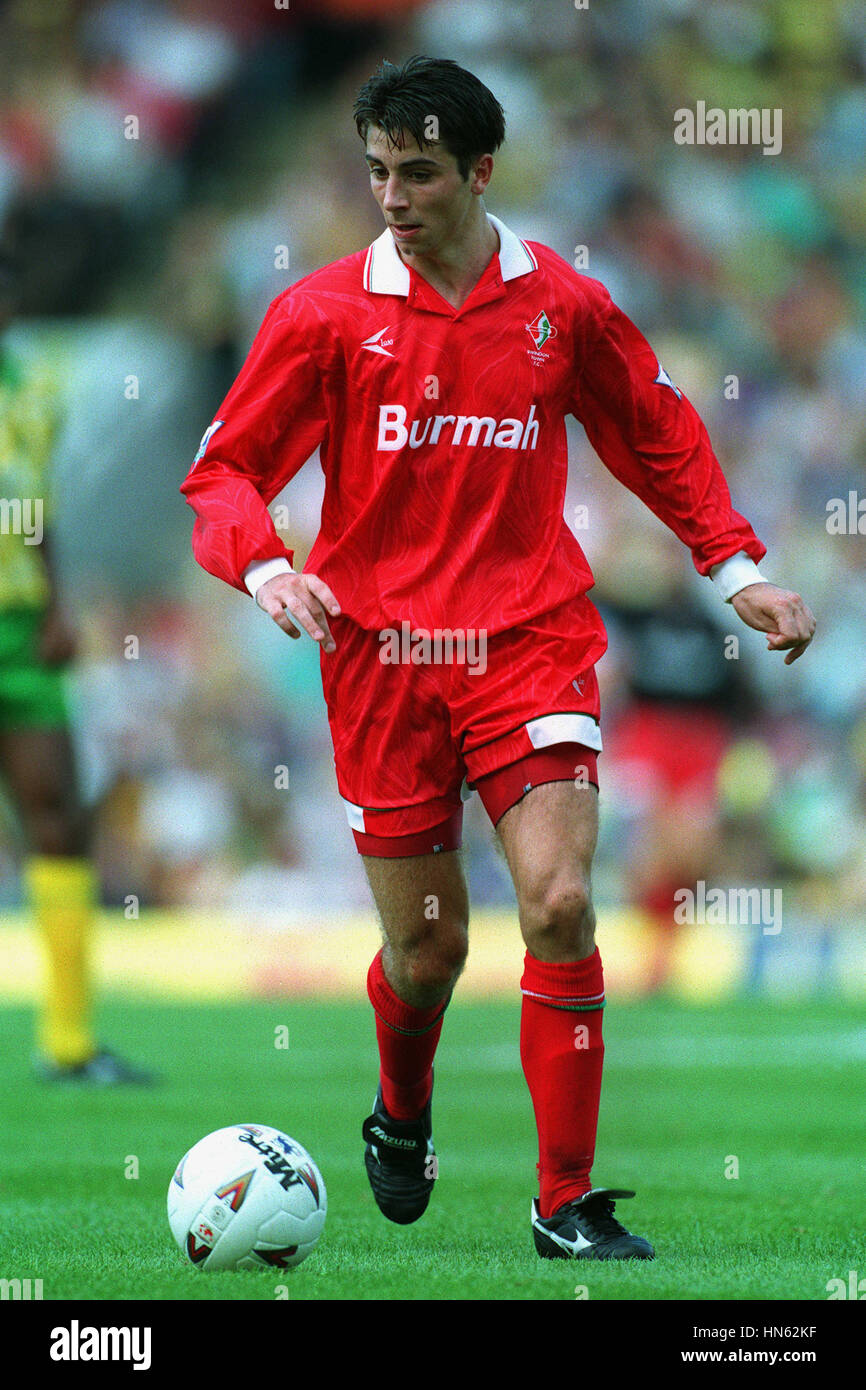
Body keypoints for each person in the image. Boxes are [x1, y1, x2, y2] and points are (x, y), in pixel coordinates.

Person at [180, 57, 815, 1260]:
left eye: (416, 173)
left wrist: (738, 571)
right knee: (427, 950)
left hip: (528, 642)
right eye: (375, 172)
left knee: (563, 902)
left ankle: (562, 1203)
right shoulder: (322, 314)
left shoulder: (561, 307)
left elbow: (656, 435)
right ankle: (402, 1112)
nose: (391, 196)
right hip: (380, 658)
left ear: (480, 172)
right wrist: (265, 567)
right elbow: (224, 468)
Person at [0, 252, 151, 1085]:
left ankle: (67, 1040)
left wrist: (58, 602)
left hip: (19, 630)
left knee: (57, 815)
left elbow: (34, 504)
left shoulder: (32, 382)